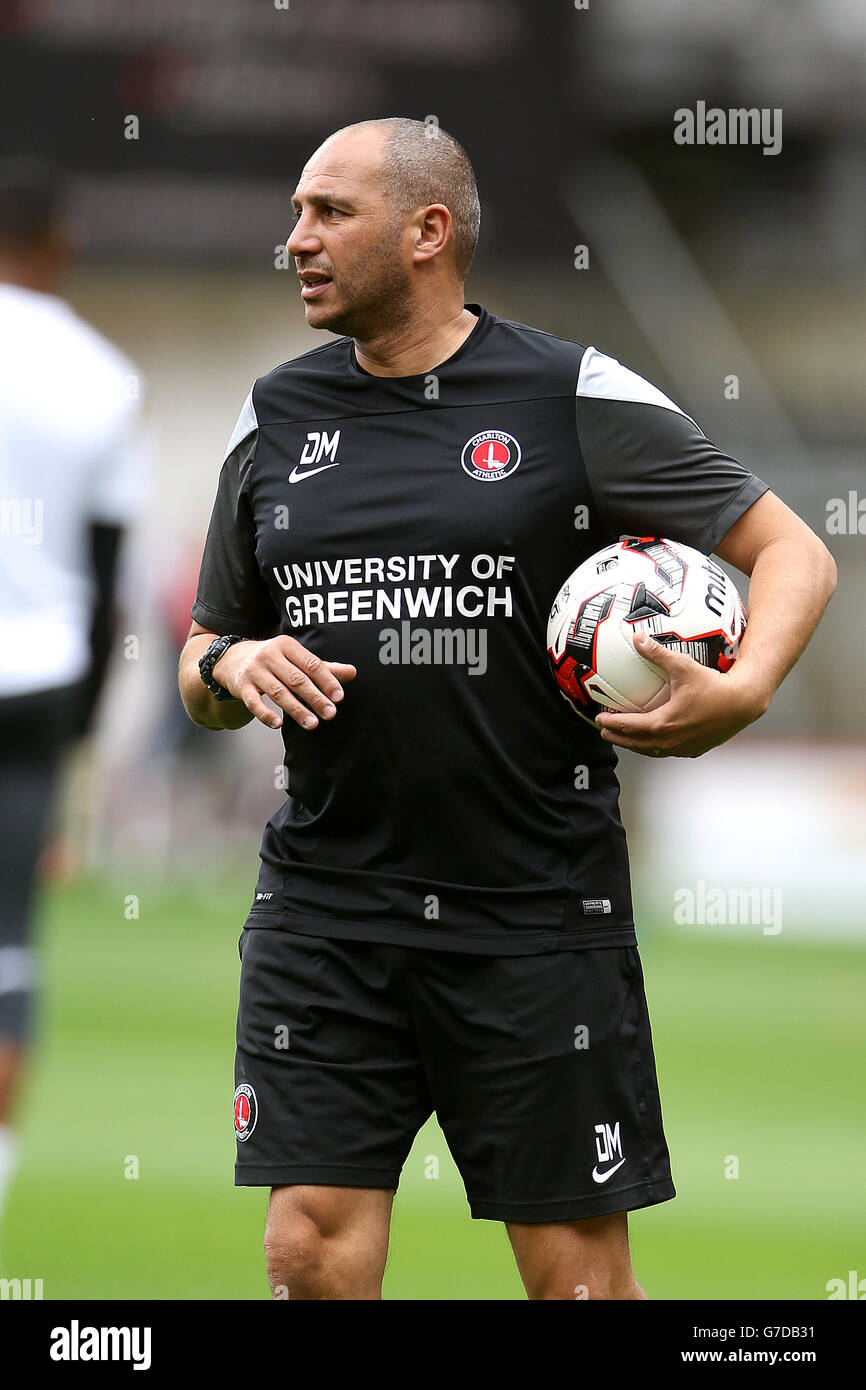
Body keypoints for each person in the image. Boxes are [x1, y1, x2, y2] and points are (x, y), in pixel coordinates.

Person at [178, 118, 836, 1300]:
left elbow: (790, 550)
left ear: (427, 232)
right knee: (304, 1253)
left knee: (574, 1282)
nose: (296, 240)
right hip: (327, 907)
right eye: (295, 212)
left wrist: (743, 689)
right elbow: (202, 649)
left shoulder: (568, 392)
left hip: (534, 910)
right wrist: (229, 670)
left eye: (329, 212)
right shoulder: (272, 416)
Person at [0, 156, 145, 1261]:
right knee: (6, 960)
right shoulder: (102, 377)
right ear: (61, 243)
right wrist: (84, 763)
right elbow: (106, 586)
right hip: (34, 689)